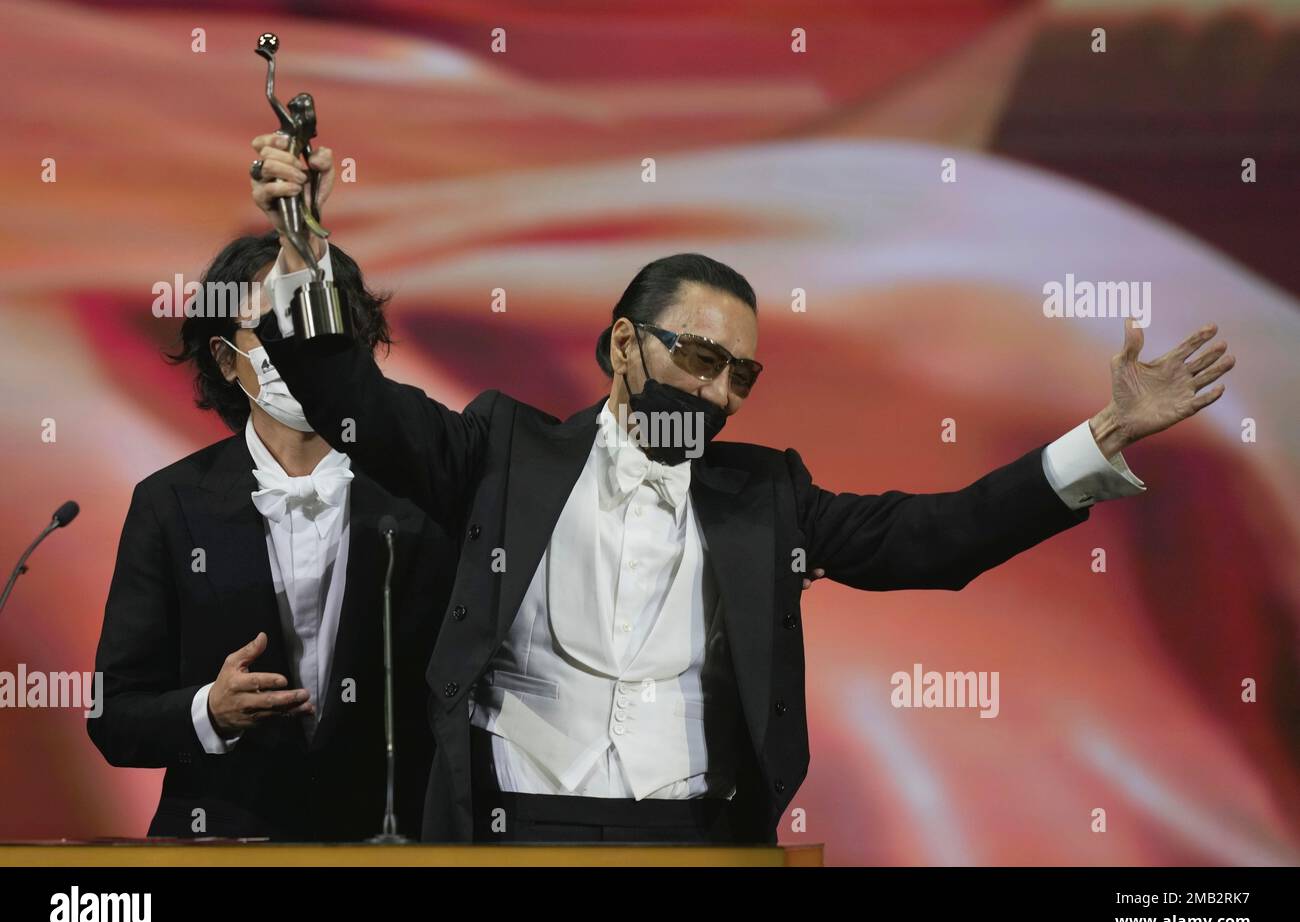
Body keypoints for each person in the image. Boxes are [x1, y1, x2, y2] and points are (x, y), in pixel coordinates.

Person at [244, 131, 1235, 844]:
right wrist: (301, 240)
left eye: (740, 376)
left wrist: (1098, 437)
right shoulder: (500, 451)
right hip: (516, 831)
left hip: (697, 839)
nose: (719, 392)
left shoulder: (766, 495)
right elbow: (351, 399)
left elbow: (937, 540)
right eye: (699, 358)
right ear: (626, 343)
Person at [88, 231, 457, 840]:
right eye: (275, 331)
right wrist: (210, 710)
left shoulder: (425, 495)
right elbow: (114, 716)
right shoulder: (169, 503)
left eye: (318, 331)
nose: (301, 356)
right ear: (227, 358)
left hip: (388, 846)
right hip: (221, 841)